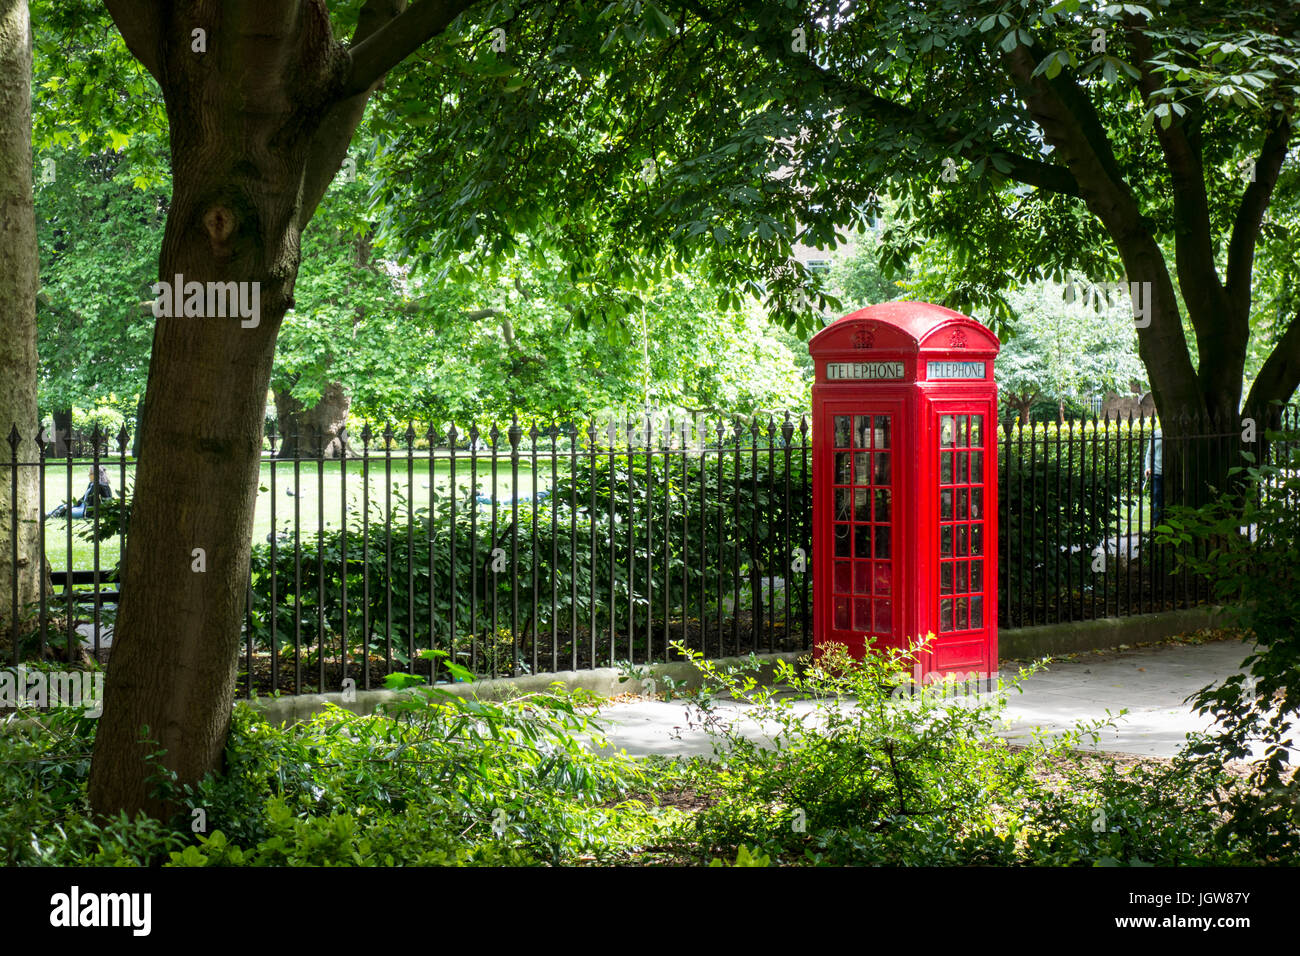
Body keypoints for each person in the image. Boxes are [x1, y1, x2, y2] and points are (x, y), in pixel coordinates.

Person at [47, 466, 114, 519]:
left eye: (90, 473)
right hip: (81, 507)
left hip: (85, 511)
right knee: (63, 506)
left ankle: (51, 516)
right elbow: (84, 498)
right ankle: (48, 514)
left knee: (67, 511)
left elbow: (107, 502)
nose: (88, 475)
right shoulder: (91, 484)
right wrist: (73, 504)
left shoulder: (102, 486)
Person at [1143, 427, 1163, 529]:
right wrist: (1148, 467)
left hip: (1172, 472)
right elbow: (1149, 453)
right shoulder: (1156, 434)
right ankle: (1157, 526)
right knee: (1156, 501)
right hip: (1157, 473)